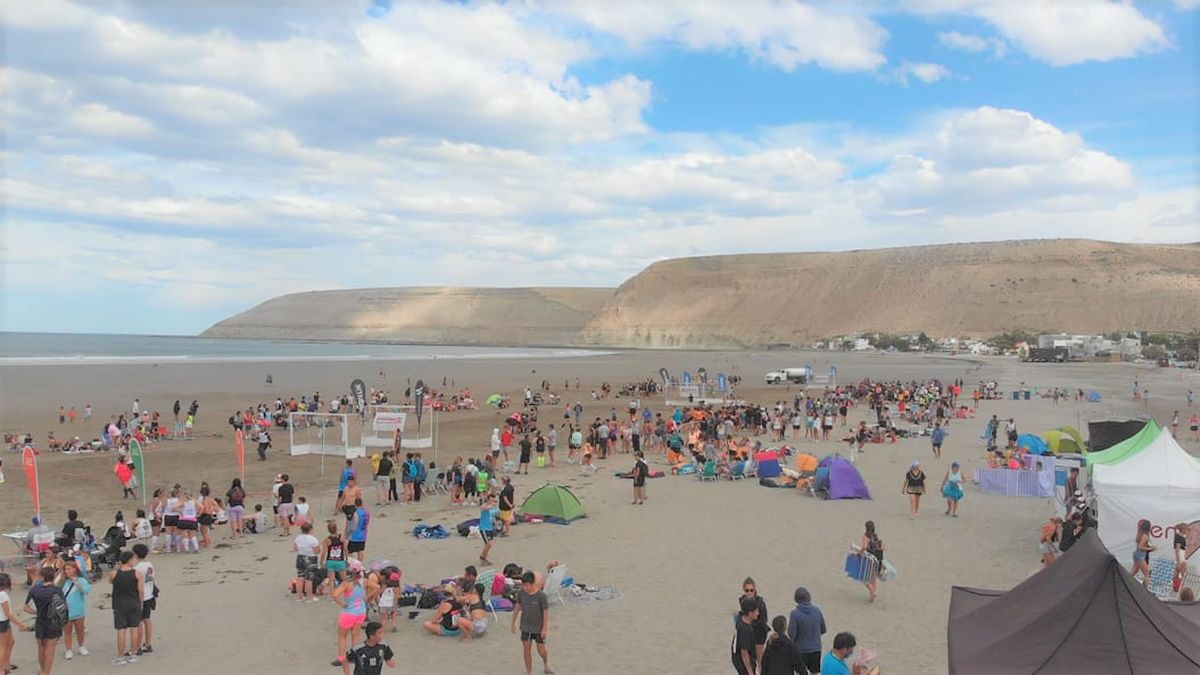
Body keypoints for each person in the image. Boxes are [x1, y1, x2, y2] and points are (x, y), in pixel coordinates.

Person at [512, 571, 552, 675]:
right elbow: (517, 606)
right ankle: (529, 672)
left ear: (533, 583)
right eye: (523, 585)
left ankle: (546, 664)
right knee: (526, 652)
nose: (525, 588)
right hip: (525, 627)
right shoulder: (521, 593)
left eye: (527, 585)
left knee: (541, 651)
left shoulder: (541, 596)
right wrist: (513, 622)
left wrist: (544, 629)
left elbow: (546, 613)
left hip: (538, 628)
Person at [109, 550, 143, 666]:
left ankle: (121, 656)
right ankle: (133, 654)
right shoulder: (137, 573)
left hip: (119, 604)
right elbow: (141, 591)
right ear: (129, 560)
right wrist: (141, 602)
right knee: (134, 629)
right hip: (133, 602)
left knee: (121, 630)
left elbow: (111, 582)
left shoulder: (114, 574)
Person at [330, 571, 368, 669]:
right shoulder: (363, 582)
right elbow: (376, 587)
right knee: (356, 635)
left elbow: (334, 595)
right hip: (361, 611)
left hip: (349, 612)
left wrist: (342, 604)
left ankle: (342, 658)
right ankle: (355, 656)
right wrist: (367, 597)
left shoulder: (346, 584)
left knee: (342, 636)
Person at [788, 587, 826, 673]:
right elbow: (823, 629)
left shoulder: (795, 614)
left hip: (801, 650)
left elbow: (792, 634)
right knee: (814, 672)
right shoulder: (817, 611)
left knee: (800, 672)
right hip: (816, 649)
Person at [1, 573, 31, 675]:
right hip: (2, 622)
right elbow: (8, 614)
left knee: (11, 642)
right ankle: (1, 669)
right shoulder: (3, 595)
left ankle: (6, 664)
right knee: (3, 646)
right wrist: (21, 624)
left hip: (4, 621)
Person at [131, 543, 155, 656]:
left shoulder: (137, 567)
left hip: (141, 596)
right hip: (150, 594)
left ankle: (138, 646)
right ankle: (148, 643)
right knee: (147, 619)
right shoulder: (150, 565)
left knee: (139, 621)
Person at [738, 577, 768, 665]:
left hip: (760, 630)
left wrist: (750, 624)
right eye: (747, 590)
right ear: (744, 590)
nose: (749, 592)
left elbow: (764, 619)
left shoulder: (760, 602)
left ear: (755, 589)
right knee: (749, 656)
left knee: (759, 658)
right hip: (748, 631)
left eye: (751, 590)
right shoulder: (743, 600)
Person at [293, 523, 320, 603]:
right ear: (310, 529)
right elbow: (317, 551)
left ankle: (300, 596)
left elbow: (295, 548)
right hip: (310, 559)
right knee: (309, 579)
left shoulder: (298, 538)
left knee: (300, 577)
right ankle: (309, 597)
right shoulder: (313, 539)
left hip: (300, 557)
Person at [731, 596, 759, 675]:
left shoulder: (740, 620)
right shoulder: (745, 629)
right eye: (756, 611)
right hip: (742, 661)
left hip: (736, 656)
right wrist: (750, 671)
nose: (758, 613)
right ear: (750, 613)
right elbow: (744, 652)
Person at [861, 521, 884, 602]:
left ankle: (872, 591)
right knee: (873, 578)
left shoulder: (866, 536)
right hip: (878, 558)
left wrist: (860, 552)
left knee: (863, 577)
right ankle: (872, 594)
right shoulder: (877, 536)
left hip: (870, 559)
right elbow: (882, 547)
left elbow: (864, 546)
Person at [321, 521, 349, 587]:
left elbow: (324, 553)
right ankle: (347, 591)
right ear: (336, 528)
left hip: (330, 560)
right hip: (340, 560)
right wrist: (347, 559)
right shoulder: (341, 537)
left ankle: (332, 592)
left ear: (328, 530)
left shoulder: (327, 540)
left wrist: (321, 563)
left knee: (331, 579)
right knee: (344, 578)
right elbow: (345, 549)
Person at [1131, 519, 1156, 590]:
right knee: (1147, 574)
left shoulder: (1140, 534)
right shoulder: (1145, 536)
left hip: (1137, 554)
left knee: (1133, 572)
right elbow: (1140, 547)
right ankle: (1146, 590)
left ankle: (1124, 582)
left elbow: (1139, 546)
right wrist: (1151, 548)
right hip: (1140, 555)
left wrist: (1150, 548)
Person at [479, 495, 499, 566]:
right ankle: (482, 558)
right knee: (488, 544)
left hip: (490, 527)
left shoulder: (493, 508)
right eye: (490, 500)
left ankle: (485, 557)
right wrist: (491, 505)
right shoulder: (485, 506)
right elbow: (484, 508)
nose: (492, 501)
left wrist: (495, 523)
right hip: (484, 528)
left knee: (489, 545)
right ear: (487, 500)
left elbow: (493, 516)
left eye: (493, 500)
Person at [1174, 523, 1190, 593]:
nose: (1187, 531)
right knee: (1184, 573)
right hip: (1180, 556)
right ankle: (1181, 589)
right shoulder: (1178, 537)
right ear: (1183, 529)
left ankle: (1176, 588)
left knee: (1178, 573)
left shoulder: (1181, 536)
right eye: (1186, 529)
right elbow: (1177, 549)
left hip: (1182, 556)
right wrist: (1178, 561)